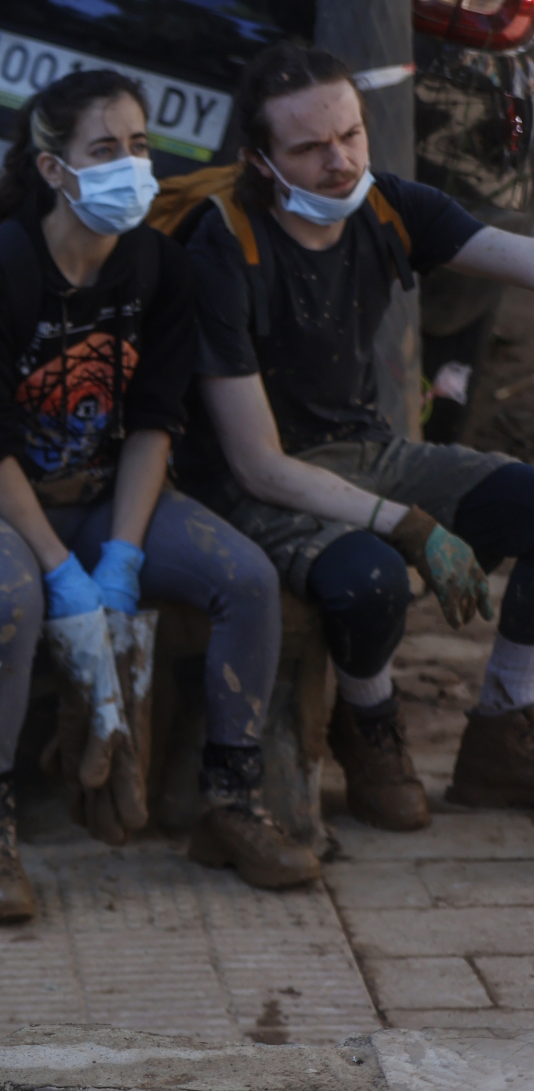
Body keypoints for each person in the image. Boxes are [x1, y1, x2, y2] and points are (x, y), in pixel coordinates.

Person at [0, 68, 315, 922]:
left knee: (245, 578)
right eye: (105, 149)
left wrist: (125, 557)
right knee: (13, 600)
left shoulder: (158, 268)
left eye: (141, 147)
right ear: (54, 168)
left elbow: (153, 421)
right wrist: (65, 570)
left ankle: (230, 800)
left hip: (107, 492)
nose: (131, 165)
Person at [189, 41, 534, 828]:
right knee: (375, 577)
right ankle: (370, 722)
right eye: (309, 148)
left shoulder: (387, 204)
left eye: (349, 136)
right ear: (260, 159)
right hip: (256, 484)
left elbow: (516, 255)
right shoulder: (226, 247)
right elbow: (257, 462)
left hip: (369, 451)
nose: (339, 162)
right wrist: (411, 526)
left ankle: (503, 730)